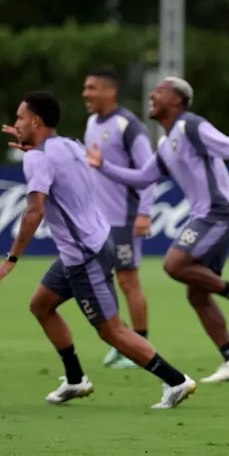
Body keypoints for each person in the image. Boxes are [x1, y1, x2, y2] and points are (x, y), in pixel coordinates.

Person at [0, 91, 196, 409]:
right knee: (41, 305)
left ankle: (176, 380)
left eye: (20, 118)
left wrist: (10, 259)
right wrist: (31, 146)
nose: (15, 124)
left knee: (112, 331)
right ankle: (75, 379)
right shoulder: (68, 145)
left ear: (35, 121)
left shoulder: (37, 158)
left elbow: (34, 211)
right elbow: (59, 170)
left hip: (85, 256)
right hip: (86, 248)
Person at [86, 77, 229, 384]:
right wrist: (103, 165)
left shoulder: (191, 126)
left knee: (174, 264)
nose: (152, 95)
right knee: (198, 294)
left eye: (159, 92)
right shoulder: (166, 142)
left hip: (219, 214)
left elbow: (227, 145)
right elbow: (143, 178)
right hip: (209, 216)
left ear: (177, 100)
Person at [82, 70, 154, 370]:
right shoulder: (90, 123)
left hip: (123, 218)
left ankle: (141, 346)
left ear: (110, 92)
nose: (86, 93)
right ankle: (122, 342)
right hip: (96, 221)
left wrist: (144, 212)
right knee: (100, 281)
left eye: (92, 88)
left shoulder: (127, 125)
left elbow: (148, 171)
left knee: (128, 280)